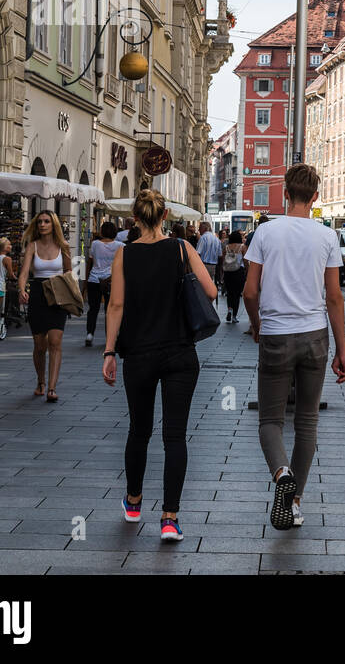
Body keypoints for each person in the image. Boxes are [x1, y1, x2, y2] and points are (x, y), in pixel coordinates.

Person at [101, 188, 216, 543]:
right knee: (175, 436)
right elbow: (211, 292)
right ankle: (169, 518)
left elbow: (116, 306)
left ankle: (133, 502)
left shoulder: (124, 254)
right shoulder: (182, 248)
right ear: (165, 217)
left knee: (139, 430)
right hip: (180, 354)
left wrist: (108, 352)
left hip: (139, 354)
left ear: (134, 219)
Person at [243, 165, 345, 531]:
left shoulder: (265, 233)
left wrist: (257, 326)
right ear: (316, 197)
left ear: (285, 194)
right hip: (315, 336)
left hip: (275, 334)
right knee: (307, 422)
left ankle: (281, 473)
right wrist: (342, 351)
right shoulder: (327, 237)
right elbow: (334, 298)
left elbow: (249, 291)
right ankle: (296, 500)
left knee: (270, 422)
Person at [18, 211, 72, 402]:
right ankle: (41, 381)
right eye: (40, 221)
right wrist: (21, 289)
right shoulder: (32, 246)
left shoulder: (64, 246)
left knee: (55, 342)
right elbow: (24, 272)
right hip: (38, 294)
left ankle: (52, 388)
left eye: (46, 221)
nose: (42, 224)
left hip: (57, 294)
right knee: (40, 345)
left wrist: (71, 298)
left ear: (53, 224)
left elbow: (68, 273)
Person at [84, 222, 122, 346]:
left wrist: (85, 281)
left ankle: (90, 334)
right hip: (111, 281)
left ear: (102, 231)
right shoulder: (120, 246)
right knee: (109, 310)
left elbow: (90, 262)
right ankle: (110, 337)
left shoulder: (95, 244)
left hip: (94, 279)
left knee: (93, 309)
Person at [220, 229, 247, 323]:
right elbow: (245, 261)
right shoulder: (242, 247)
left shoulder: (226, 247)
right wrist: (247, 271)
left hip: (228, 273)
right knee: (236, 294)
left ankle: (230, 309)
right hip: (239, 272)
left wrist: (222, 273)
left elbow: (223, 261)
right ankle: (234, 316)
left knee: (230, 293)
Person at [195, 220, 222, 288]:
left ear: (204, 228)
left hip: (203, 265)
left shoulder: (203, 238)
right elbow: (220, 255)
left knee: (202, 286)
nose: (199, 230)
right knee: (209, 285)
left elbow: (198, 253)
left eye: (200, 228)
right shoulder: (217, 240)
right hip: (213, 267)